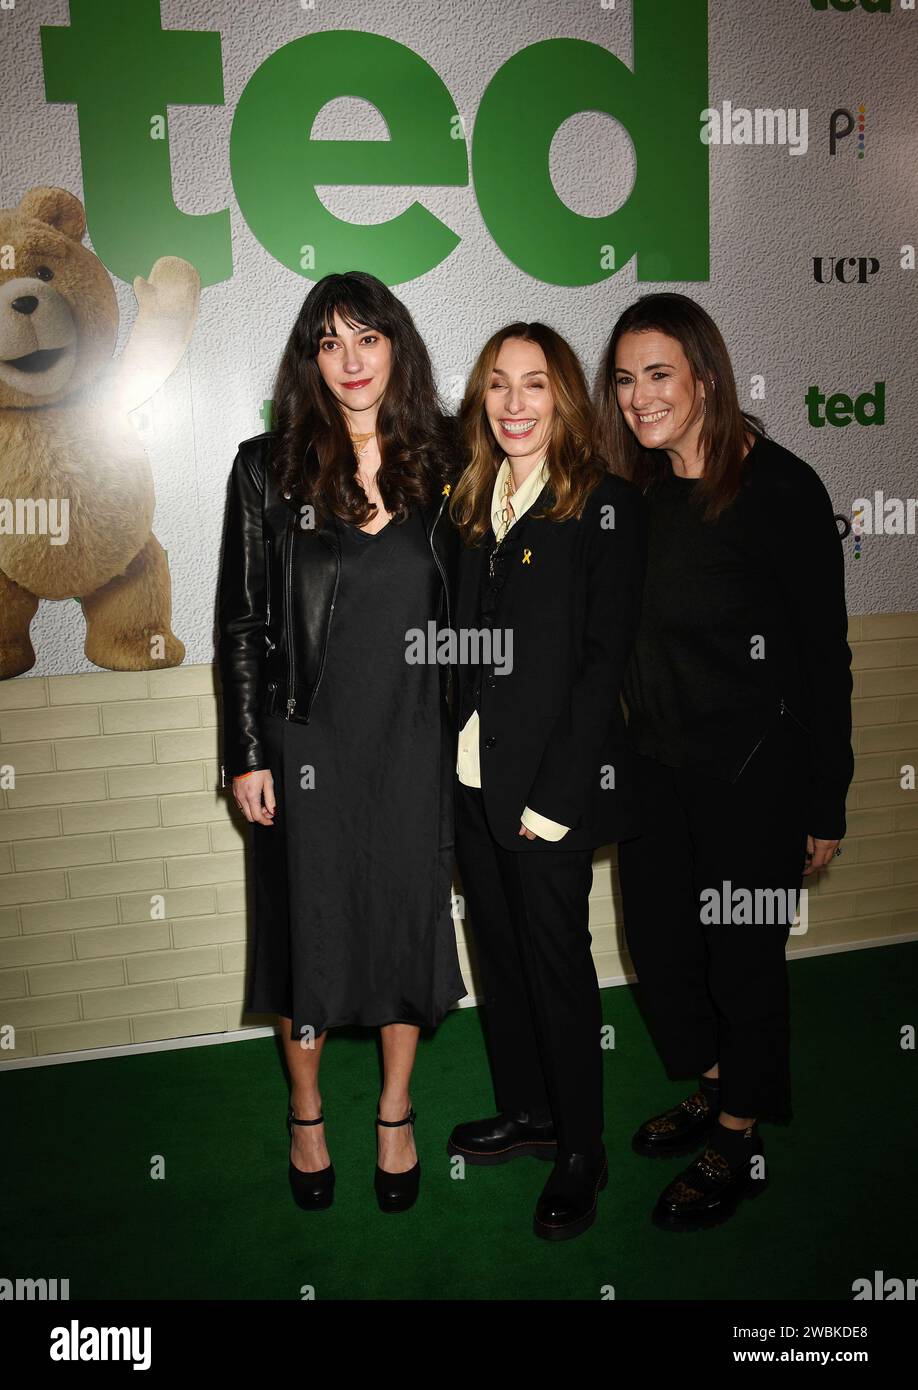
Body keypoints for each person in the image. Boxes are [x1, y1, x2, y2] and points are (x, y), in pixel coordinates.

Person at [595, 292, 853, 1231]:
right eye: (624, 380)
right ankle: (713, 1084)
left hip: (757, 779)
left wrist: (826, 800)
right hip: (657, 776)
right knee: (664, 955)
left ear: (704, 376)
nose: (638, 397)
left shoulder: (783, 489)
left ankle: (739, 1142)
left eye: (657, 374)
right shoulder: (640, 495)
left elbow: (827, 657)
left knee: (744, 964)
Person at [215, 271, 466, 1215]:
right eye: (329, 342)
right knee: (306, 935)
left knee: (404, 924)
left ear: (397, 346)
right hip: (302, 742)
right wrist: (245, 752)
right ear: (309, 360)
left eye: (367, 337)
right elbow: (240, 623)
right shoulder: (265, 467)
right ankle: (308, 1112)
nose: (351, 360)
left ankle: (396, 1112)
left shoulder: (445, 461)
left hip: (413, 741)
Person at [445, 322, 646, 1240]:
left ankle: (581, 1150)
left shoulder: (603, 503)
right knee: (501, 955)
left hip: (548, 790)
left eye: (535, 384)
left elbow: (604, 664)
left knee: (559, 968)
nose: (515, 404)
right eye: (498, 385)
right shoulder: (471, 498)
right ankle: (530, 1115)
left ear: (566, 396)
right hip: (470, 778)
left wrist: (558, 800)